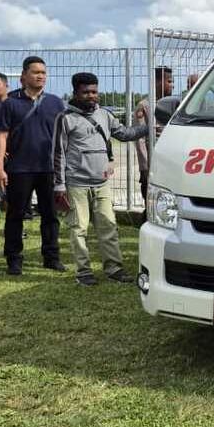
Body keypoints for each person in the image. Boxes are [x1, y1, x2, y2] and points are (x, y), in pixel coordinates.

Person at [52, 72, 147, 285]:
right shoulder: (65, 118)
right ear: (75, 92)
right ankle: (83, 272)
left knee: (108, 226)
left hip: (102, 183)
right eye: (86, 92)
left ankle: (115, 270)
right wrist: (59, 186)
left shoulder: (105, 115)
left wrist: (148, 129)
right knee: (79, 229)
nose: (91, 96)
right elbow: (58, 153)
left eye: (94, 92)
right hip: (76, 183)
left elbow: (124, 133)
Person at [0, 55, 66, 275]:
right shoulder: (10, 103)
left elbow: (64, 137)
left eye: (43, 73)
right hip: (19, 168)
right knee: (15, 216)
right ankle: (14, 259)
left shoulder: (55, 102)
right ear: (24, 76)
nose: (40, 77)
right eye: (36, 72)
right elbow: (1, 136)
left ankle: (51, 256)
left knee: (50, 216)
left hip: (48, 168)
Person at [134, 65, 173, 212]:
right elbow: (140, 139)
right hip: (152, 159)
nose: (172, 85)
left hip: (169, 159)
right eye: (169, 81)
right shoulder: (144, 105)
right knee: (151, 196)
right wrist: (144, 166)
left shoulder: (175, 105)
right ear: (158, 82)